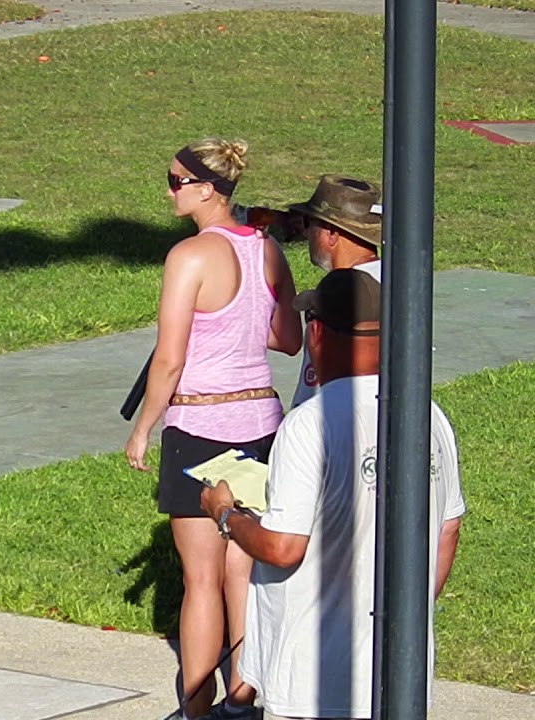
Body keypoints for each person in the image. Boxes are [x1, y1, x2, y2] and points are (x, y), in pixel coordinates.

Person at [199, 268, 465, 720]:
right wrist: (407, 621)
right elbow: (447, 529)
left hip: (314, 681)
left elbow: (283, 547)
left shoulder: (309, 424)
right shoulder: (429, 415)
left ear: (317, 332)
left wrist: (226, 514)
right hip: (398, 674)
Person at [125, 138, 302, 720]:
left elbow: (169, 360)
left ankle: (197, 706)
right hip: (262, 420)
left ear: (206, 188)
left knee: (200, 580)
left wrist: (143, 428)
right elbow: (288, 338)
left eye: (176, 181)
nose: (169, 189)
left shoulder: (189, 257)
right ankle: (243, 696)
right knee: (243, 573)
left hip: (199, 423)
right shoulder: (267, 251)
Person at [286, 175, 383, 408]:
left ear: (331, 232)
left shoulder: (335, 299)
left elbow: (317, 390)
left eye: (310, 223)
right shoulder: (395, 285)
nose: (306, 234)